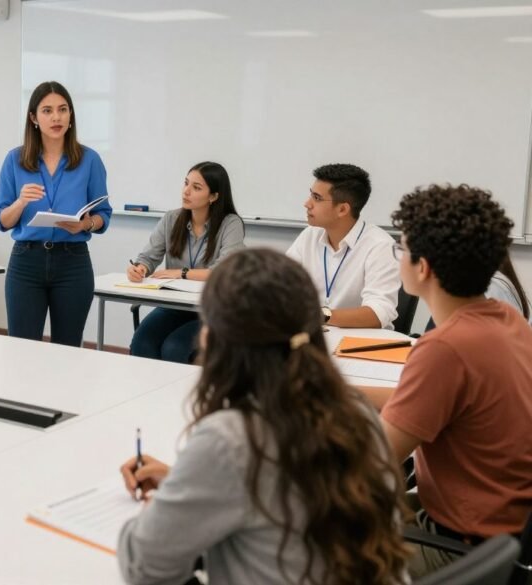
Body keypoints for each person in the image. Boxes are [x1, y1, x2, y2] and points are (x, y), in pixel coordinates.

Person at [117, 248, 410, 584]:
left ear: (214, 338)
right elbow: (285, 496)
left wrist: (161, 508)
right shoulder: (358, 413)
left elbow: (145, 568)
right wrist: (190, 485)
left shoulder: (231, 439)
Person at [359, 184, 532, 576]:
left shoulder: (445, 348)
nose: (397, 257)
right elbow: (437, 403)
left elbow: (376, 460)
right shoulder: (508, 322)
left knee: (307, 539)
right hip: (500, 525)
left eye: (399, 248)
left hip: (459, 545)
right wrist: (342, 389)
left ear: (423, 267)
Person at [0, 80, 112, 346]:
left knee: (68, 348)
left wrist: (86, 225)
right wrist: (20, 202)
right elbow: (2, 220)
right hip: (26, 262)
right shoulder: (15, 159)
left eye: (63, 109)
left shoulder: (89, 160)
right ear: (34, 118)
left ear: (71, 115)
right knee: (22, 348)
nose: (56, 117)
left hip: (73, 263)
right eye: (47, 111)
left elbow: (103, 214)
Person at [127, 161, 245, 363]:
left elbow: (225, 271)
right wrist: (139, 268)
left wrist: (181, 273)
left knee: (175, 348)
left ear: (214, 196)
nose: (186, 191)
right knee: (142, 342)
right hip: (174, 306)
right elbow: (149, 257)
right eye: (186, 183)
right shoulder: (171, 219)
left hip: (212, 309)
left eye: (196, 187)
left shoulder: (230, 223)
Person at [286, 163, 399, 328]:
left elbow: (378, 314)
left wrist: (318, 315)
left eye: (317, 198)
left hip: (362, 344)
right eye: (311, 195)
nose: (307, 203)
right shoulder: (310, 235)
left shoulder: (380, 246)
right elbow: (280, 283)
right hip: (314, 336)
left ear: (342, 209)